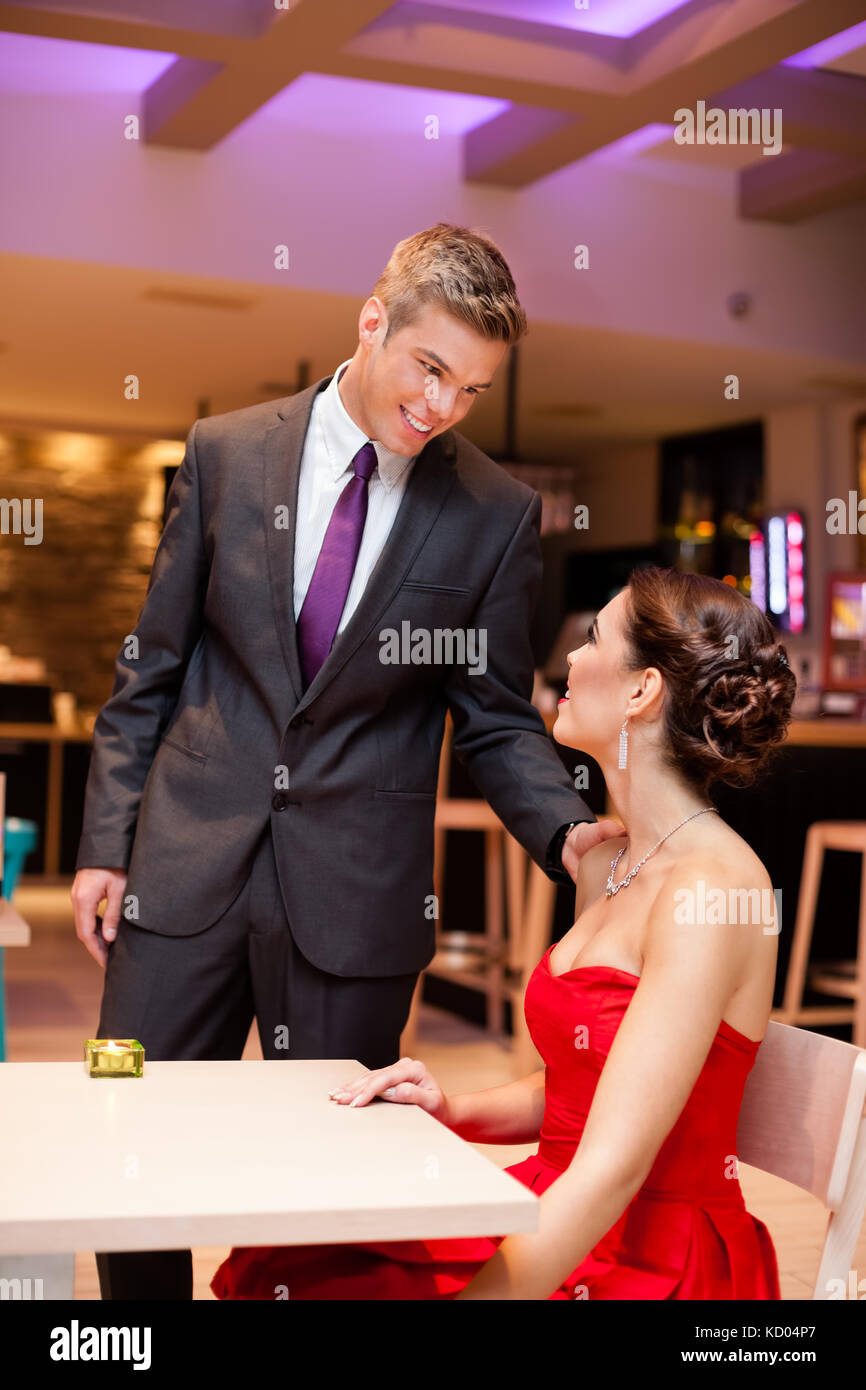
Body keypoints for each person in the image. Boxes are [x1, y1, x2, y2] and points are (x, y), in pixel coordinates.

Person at [70, 223, 621, 1301]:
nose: (443, 408)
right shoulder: (227, 452)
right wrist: (105, 842)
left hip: (352, 901)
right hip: (181, 869)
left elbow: (496, 715)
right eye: (430, 369)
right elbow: (153, 667)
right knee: (125, 1132)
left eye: (471, 388)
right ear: (372, 322)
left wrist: (568, 830)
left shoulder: (496, 514)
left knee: (337, 1182)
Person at [212, 566, 797, 1300]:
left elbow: (614, 1166)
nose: (572, 660)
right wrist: (450, 1108)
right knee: (294, 1257)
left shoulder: (708, 890)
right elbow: (582, 1086)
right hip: (562, 1201)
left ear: (642, 692)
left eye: (592, 639)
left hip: (651, 1248)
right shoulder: (609, 861)